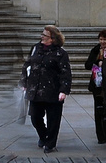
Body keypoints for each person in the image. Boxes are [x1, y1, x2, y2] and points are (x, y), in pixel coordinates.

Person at [22, 25, 70, 153]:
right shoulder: (35, 48)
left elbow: (65, 73)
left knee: (53, 120)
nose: (41, 37)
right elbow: (27, 65)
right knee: (35, 117)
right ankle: (44, 136)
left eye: (45, 35)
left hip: (53, 91)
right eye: (42, 34)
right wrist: (24, 82)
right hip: (35, 90)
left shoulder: (60, 53)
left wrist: (64, 90)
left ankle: (50, 143)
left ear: (52, 38)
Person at [84, 30, 106, 146]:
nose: (102, 42)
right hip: (97, 85)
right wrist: (97, 61)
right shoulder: (96, 50)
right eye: (101, 39)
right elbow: (87, 65)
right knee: (98, 111)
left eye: (105, 40)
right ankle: (101, 136)